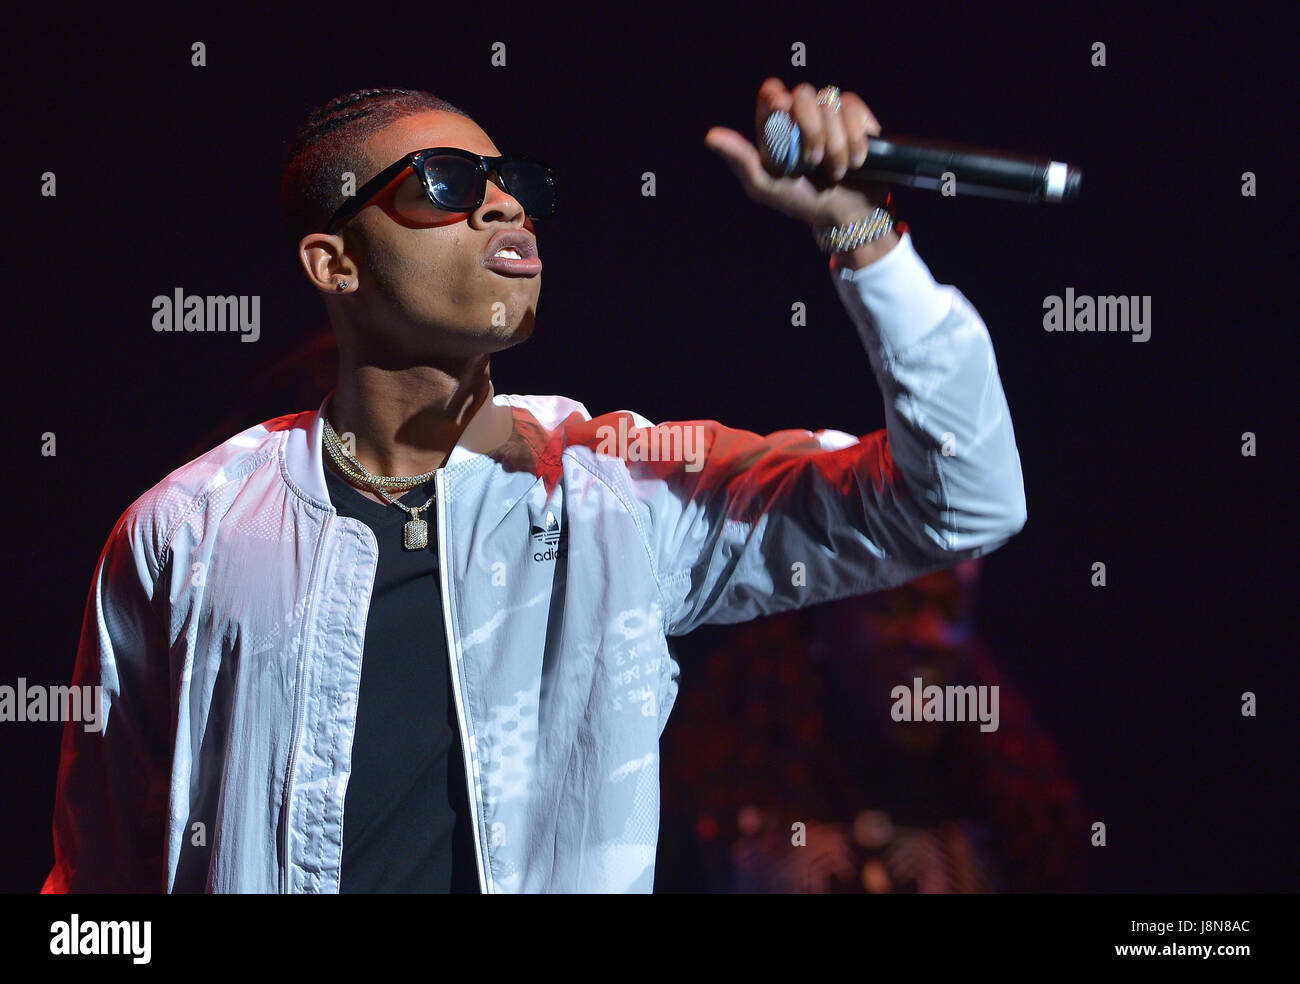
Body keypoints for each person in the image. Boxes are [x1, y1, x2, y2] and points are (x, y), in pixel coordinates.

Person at [41, 79, 1027, 893]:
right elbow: (96, 884)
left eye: (513, 183)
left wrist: (859, 233)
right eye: (443, 183)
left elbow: (961, 498)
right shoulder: (187, 531)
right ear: (333, 261)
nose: (504, 204)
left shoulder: (617, 493)